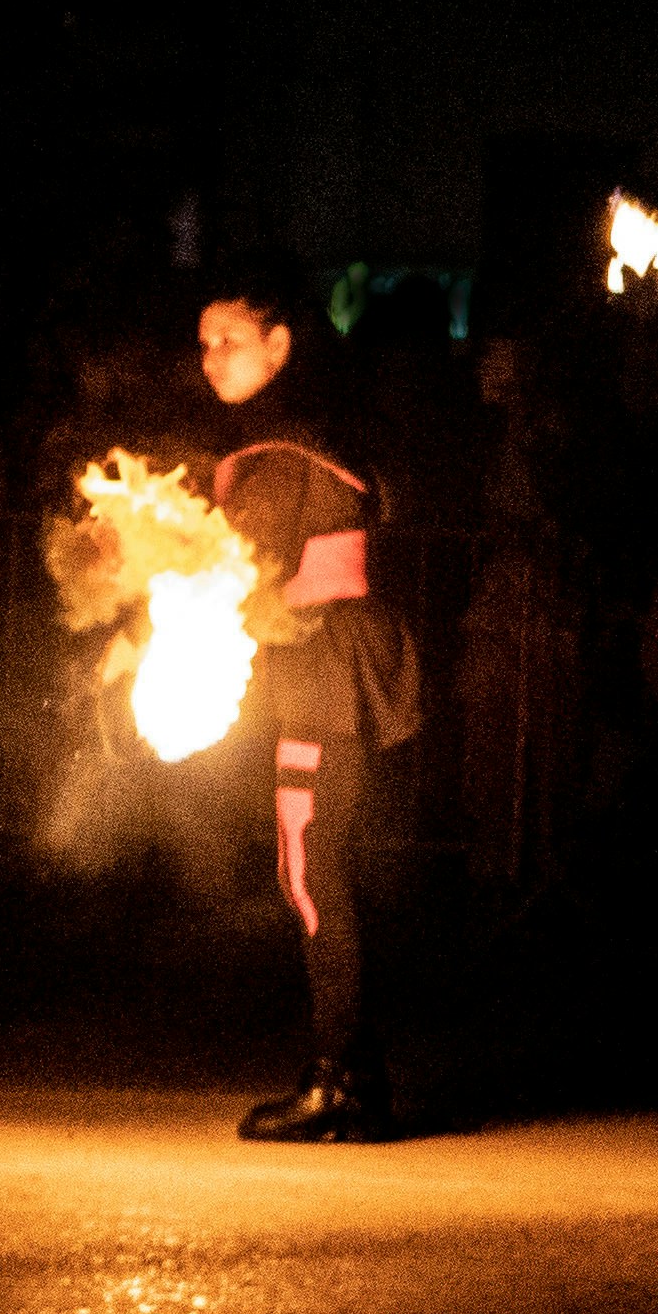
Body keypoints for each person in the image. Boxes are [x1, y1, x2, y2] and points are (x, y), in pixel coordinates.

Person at [199, 277, 422, 1140]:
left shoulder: (286, 450)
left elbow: (241, 571)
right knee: (312, 868)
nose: (211, 358)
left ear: (281, 345)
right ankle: (354, 1074)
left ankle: (340, 1081)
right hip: (317, 671)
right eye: (204, 342)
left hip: (326, 675)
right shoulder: (295, 438)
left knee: (309, 871)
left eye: (230, 339)